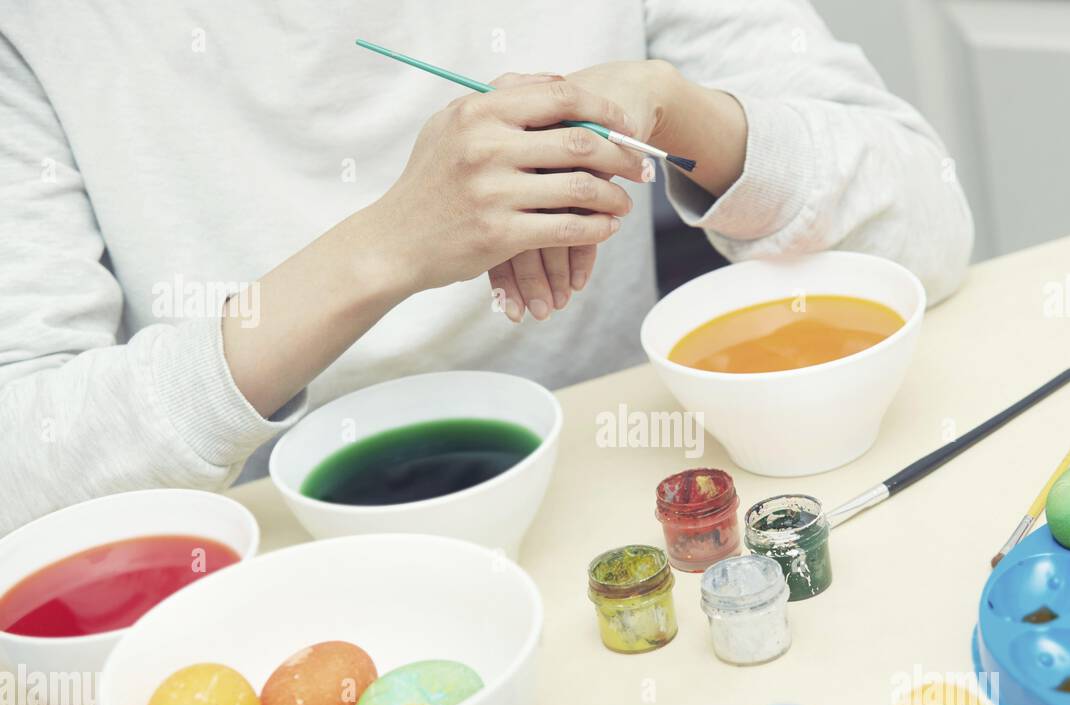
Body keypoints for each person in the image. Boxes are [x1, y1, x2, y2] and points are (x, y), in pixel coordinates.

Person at [0, 1, 973, 535]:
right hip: (266, 568)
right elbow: (21, 464)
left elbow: (925, 233)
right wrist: (385, 248)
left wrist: (681, 113)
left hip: (605, 515)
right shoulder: (42, 33)